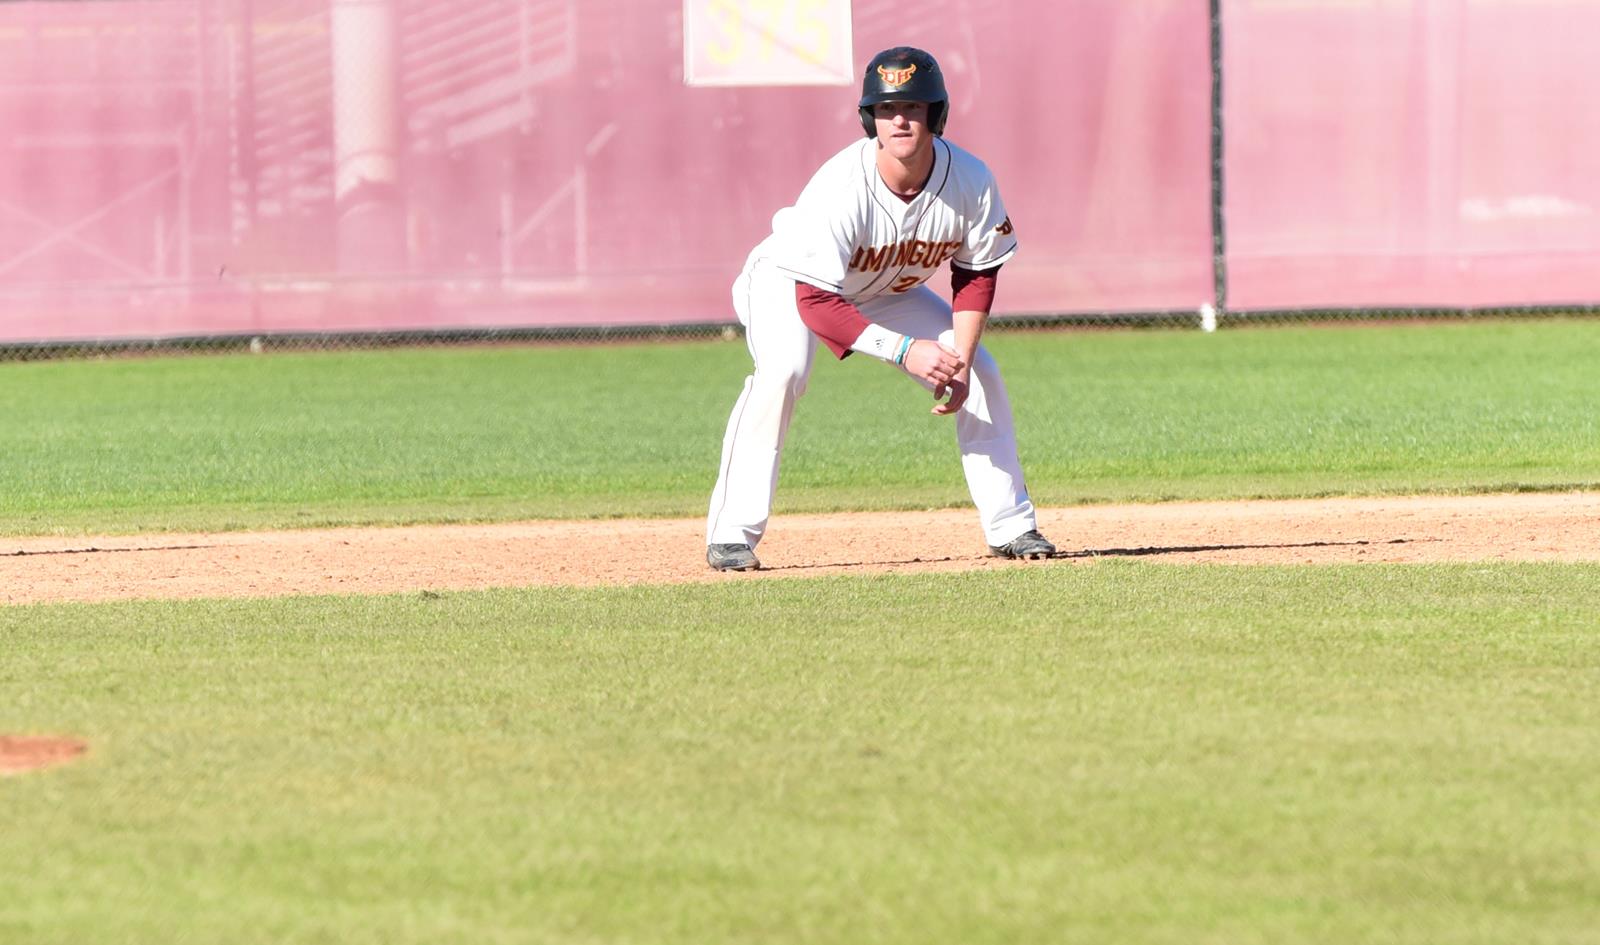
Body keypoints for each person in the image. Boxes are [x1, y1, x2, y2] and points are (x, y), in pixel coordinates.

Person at [705, 46, 1055, 572]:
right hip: (790, 281)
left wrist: (956, 356)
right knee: (784, 372)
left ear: (936, 115)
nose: (900, 118)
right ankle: (731, 533)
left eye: (913, 107)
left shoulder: (971, 180)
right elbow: (817, 303)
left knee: (979, 372)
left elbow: (976, 273)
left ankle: (1012, 526)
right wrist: (906, 352)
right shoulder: (840, 188)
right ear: (869, 118)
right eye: (887, 108)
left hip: (885, 289)